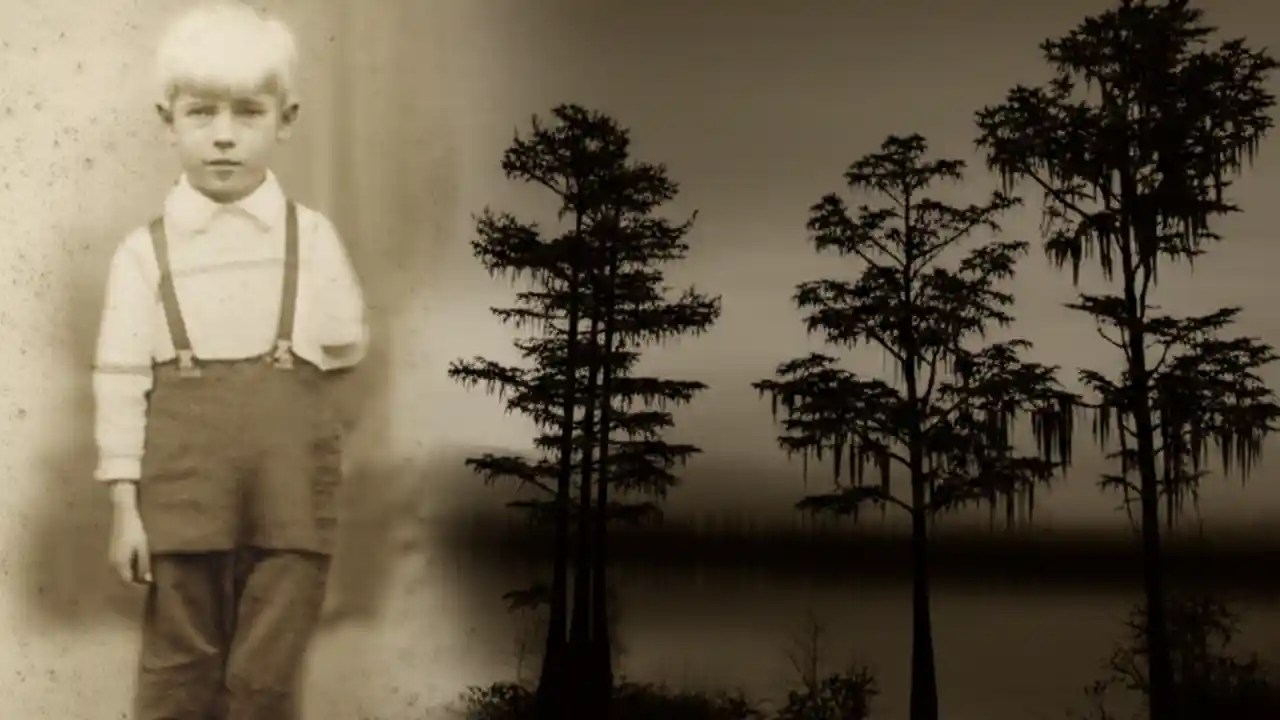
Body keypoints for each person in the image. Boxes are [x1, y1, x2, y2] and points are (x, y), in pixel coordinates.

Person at [92, 2, 368, 717]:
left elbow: (346, 346)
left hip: (291, 508)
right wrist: (125, 510)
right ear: (167, 118)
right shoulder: (142, 253)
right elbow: (119, 382)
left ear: (286, 117)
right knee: (178, 676)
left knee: (265, 683)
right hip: (181, 506)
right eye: (200, 113)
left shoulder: (312, 240)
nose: (222, 136)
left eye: (247, 112)